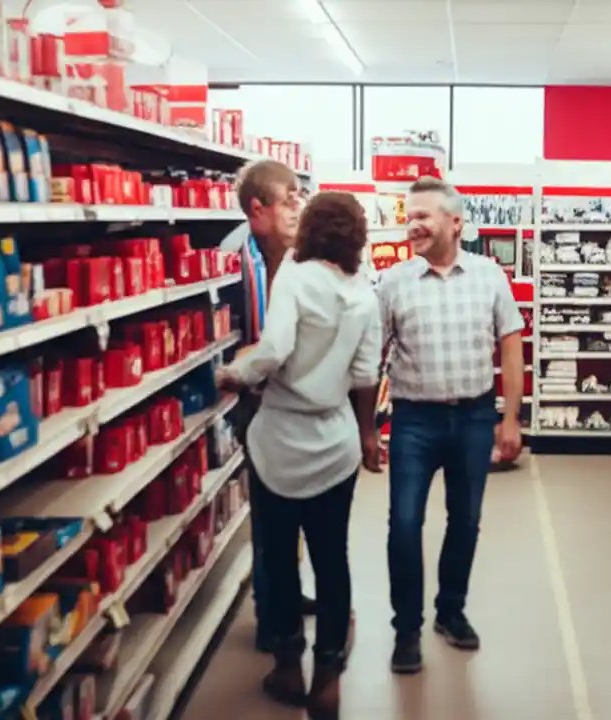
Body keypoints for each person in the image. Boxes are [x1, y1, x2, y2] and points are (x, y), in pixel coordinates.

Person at [217, 191, 383, 720]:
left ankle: (288, 666)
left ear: (309, 230)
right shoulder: (363, 292)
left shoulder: (294, 272)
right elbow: (365, 375)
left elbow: (274, 349)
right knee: (333, 561)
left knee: (280, 557)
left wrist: (234, 373)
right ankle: (329, 675)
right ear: (356, 239)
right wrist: (365, 435)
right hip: (333, 442)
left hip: (280, 440)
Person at [377, 176, 525, 674]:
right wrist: (363, 426)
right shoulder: (393, 282)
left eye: (423, 215)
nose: (411, 224)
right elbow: (374, 356)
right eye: (408, 215)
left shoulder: (489, 276)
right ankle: (406, 631)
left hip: (475, 416)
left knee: (465, 520)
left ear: (456, 222)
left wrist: (510, 418)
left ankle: (451, 612)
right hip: (414, 419)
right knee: (403, 524)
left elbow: (510, 345)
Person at [218, 160, 315, 653]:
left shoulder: (305, 259)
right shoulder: (232, 259)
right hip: (255, 406)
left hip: (299, 402)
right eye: (291, 197)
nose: (301, 204)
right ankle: (271, 618)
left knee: (299, 511)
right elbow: (216, 338)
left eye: (301, 195)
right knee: (269, 517)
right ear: (258, 209)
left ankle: (290, 595)